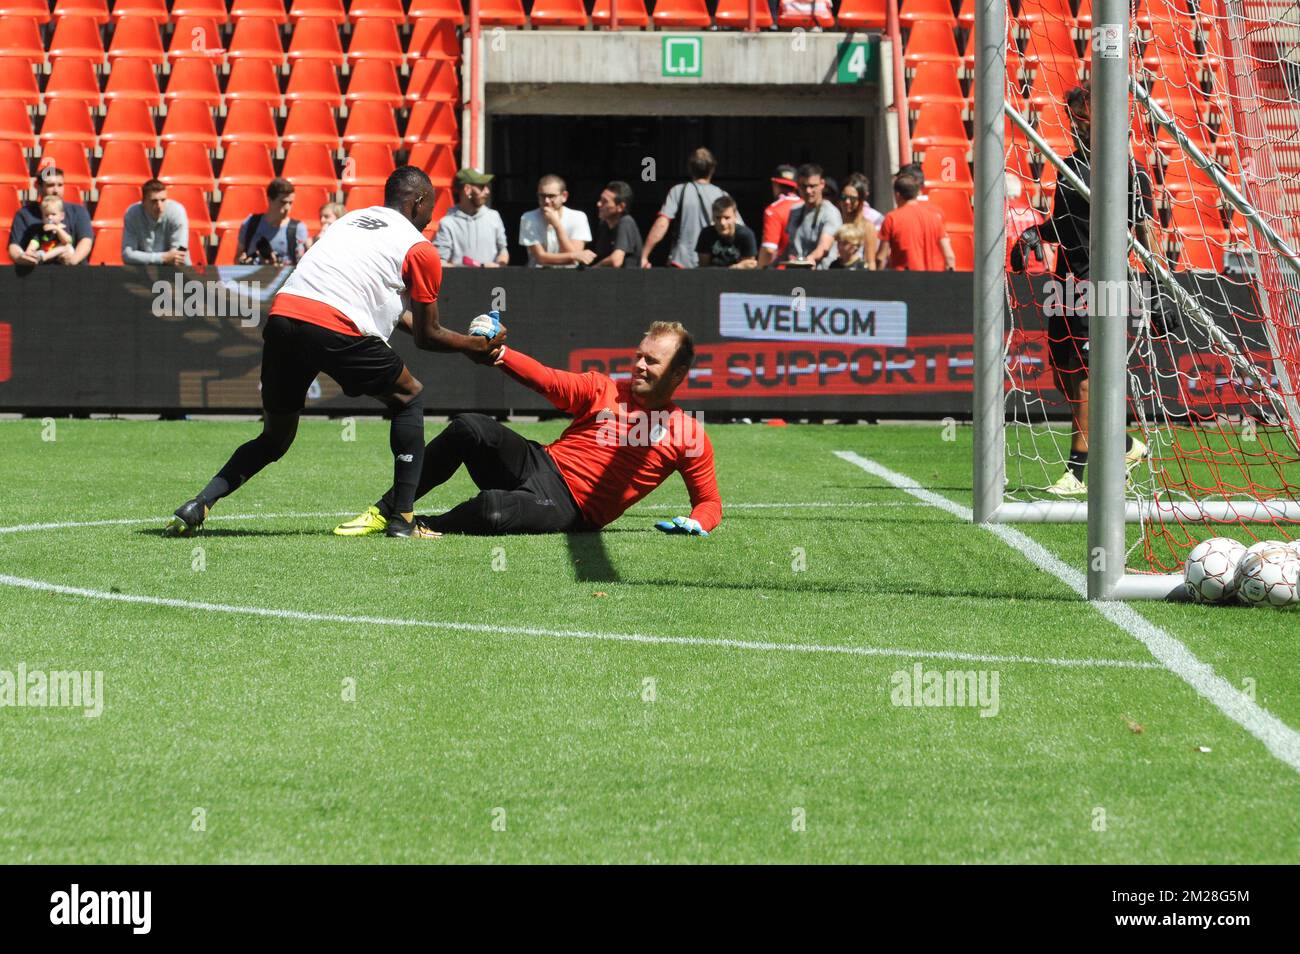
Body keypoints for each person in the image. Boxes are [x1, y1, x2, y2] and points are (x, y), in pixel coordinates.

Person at [164, 167, 505, 540]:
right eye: (430, 209)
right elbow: (428, 335)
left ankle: (199, 504)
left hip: (285, 316)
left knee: (275, 438)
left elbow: (366, 296)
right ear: (418, 201)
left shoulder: (351, 221)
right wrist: (476, 347)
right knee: (409, 397)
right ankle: (403, 519)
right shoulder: (419, 247)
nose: (430, 219)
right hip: (335, 324)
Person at [333, 321, 722, 538]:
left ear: (678, 373)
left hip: (573, 509)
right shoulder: (605, 388)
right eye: (638, 356)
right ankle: (389, 511)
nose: (638, 365)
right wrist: (499, 354)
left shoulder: (688, 434)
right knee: (471, 427)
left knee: (493, 510)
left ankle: (424, 527)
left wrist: (697, 522)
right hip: (539, 462)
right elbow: (549, 381)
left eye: (651, 361)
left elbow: (709, 503)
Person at [1036, 82, 1153, 496]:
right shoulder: (1066, 168)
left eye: (1083, 115)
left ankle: (1076, 474)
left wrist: (1154, 286)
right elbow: (1062, 224)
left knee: (1085, 380)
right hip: (1063, 283)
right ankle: (1125, 446)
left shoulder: (1128, 170)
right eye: (1074, 116)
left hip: (1100, 287)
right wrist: (1034, 235)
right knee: (1063, 378)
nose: (1078, 124)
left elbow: (1142, 231)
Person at [640, 147, 741, 269]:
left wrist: (644, 255)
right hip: (713, 265)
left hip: (682, 262)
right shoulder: (723, 195)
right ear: (712, 169)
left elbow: (662, 224)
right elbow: (739, 228)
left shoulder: (678, 191)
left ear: (690, 169)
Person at [7, 167, 93, 266]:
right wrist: (21, 258)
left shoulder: (78, 211)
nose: (56, 190)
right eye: (50, 185)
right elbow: (14, 246)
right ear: (39, 187)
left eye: (60, 185)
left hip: (72, 274)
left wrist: (73, 260)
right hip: (35, 274)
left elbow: (86, 241)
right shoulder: (24, 214)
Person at [876, 170, 955, 271]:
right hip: (933, 282)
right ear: (917, 193)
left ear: (897, 195)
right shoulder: (934, 217)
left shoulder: (892, 218)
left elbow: (881, 258)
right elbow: (949, 256)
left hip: (904, 282)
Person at [433, 167, 509, 267]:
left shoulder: (494, 216)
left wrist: (499, 265)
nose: (487, 191)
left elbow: (503, 250)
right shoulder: (447, 223)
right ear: (467, 189)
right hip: (460, 282)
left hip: (492, 281)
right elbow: (440, 262)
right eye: (482, 187)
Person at [519, 173, 592, 267]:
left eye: (551, 196)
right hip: (537, 276)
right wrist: (573, 256)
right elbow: (540, 258)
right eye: (542, 196)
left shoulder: (578, 217)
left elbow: (575, 262)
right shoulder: (528, 218)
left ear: (564, 196)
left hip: (570, 276)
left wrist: (557, 226)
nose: (546, 201)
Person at [236, 178, 309, 266]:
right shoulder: (251, 223)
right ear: (270, 199)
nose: (287, 208)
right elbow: (237, 258)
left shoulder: (298, 229)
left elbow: (303, 266)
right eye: (283, 202)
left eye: (290, 203)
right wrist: (242, 262)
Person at [781, 163, 842, 268]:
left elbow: (824, 247)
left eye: (812, 186)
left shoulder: (830, 213)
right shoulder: (795, 210)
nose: (808, 191)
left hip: (820, 276)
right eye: (803, 186)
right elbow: (790, 246)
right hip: (795, 274)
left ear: (822, 184)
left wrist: (810, 259)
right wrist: (772, 265)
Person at [121, 179, 190, 266]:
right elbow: (127, 255)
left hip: (175, 271)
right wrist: (162, 258)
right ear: (143, 202)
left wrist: (152, 258)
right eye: (154, 201)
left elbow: (179, 255)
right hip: (143, 271)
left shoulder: (177, 211)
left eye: (163, 200)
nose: (159, 206)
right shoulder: (132, 214)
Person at [757, 163, 802, 268]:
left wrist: (759, 271)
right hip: (806, 270)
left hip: (780, 274)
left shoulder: (773, 210)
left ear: (774, 184)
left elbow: (769, 250)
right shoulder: (806, 206)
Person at [590, 180, 642, 268]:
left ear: (620, 207)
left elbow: (616, 260)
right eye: (600, 200)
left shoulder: (626, 222)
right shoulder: (603, 225)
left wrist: (593, 269)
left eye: (605, 201)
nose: (598, 204)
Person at [696, 195, 758, 268]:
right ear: (712, 217)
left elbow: (749, 267)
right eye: (718, 218)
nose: (722, 223)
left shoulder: (746, 235)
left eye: (727, 218)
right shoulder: (706, 234)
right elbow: (703, 268)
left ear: (735, 217)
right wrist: (734, 268)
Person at [837, 172, 880, 269]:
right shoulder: (836, 222)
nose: (847, 202)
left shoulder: (867, 227)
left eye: (852, 199)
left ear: (861, 200)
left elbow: (871, 263)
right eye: (843, 197)